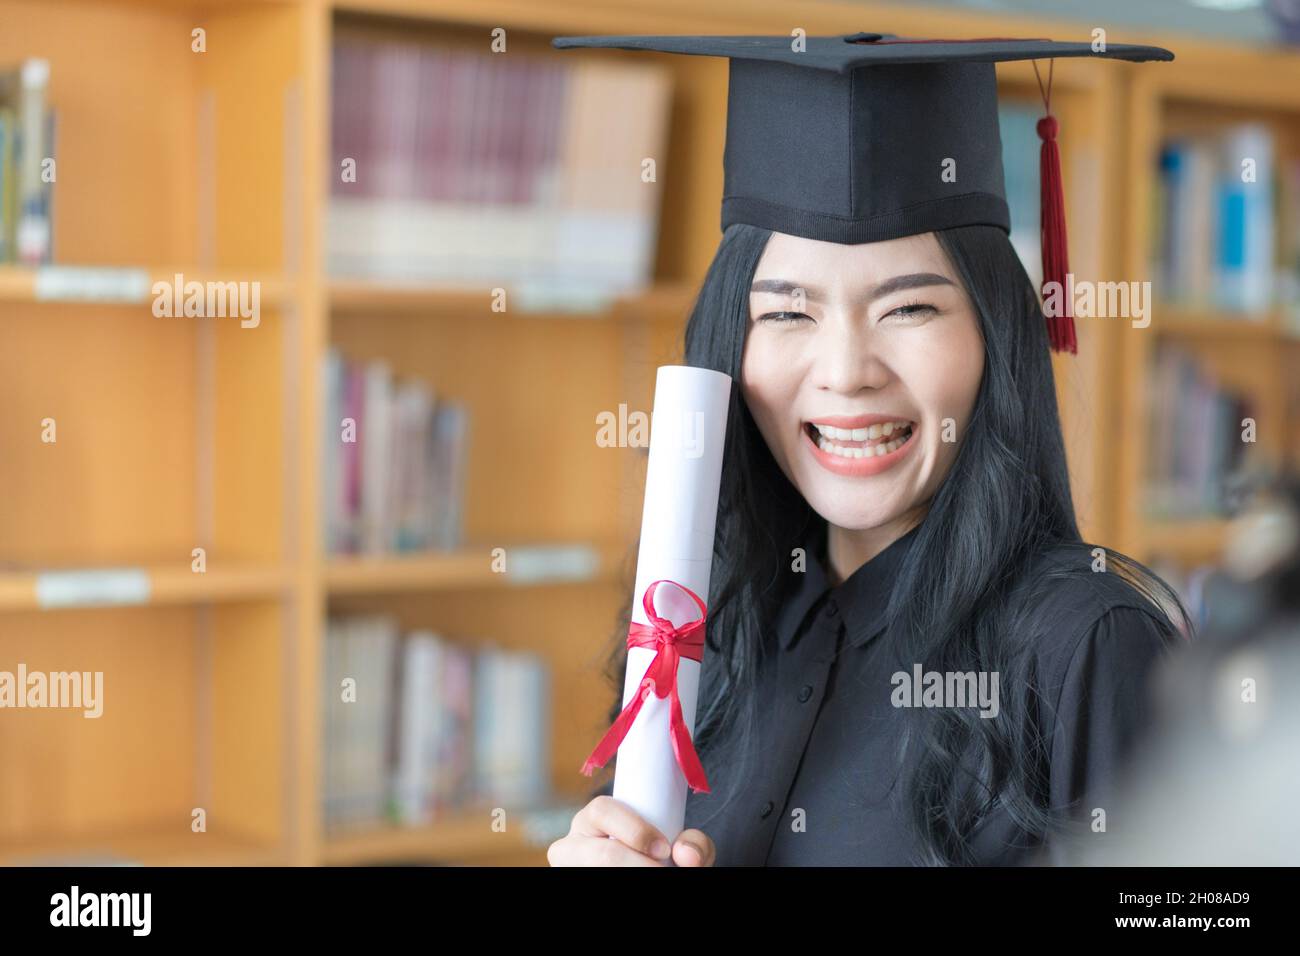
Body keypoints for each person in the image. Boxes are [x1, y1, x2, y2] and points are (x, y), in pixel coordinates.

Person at [545, 31, 1192, 867]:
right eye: (786, 312)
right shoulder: (710, 631)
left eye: (909, 309)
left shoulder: (1088, 645)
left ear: (998, 336)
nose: (846, 374)